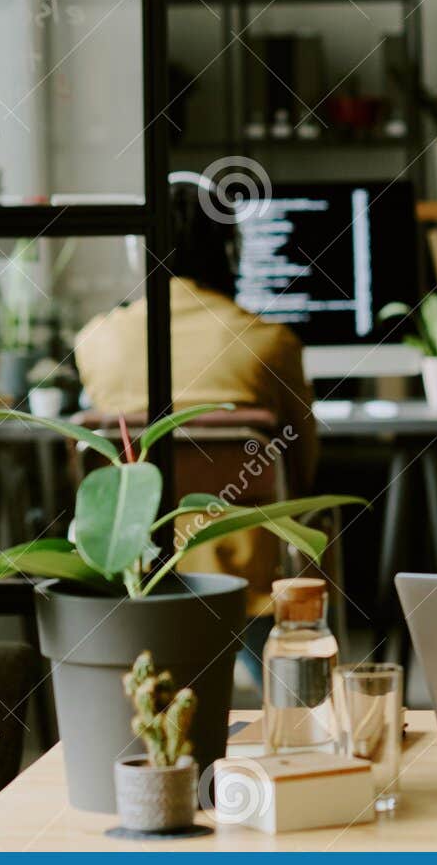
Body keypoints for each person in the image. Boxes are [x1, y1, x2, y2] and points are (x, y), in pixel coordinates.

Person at [75, 177, 319, 631]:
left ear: (138, 250)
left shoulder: (96, 340)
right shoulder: (269, 342)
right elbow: (302, 468)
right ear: (230, 248)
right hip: (249, 570)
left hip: (131, 562)